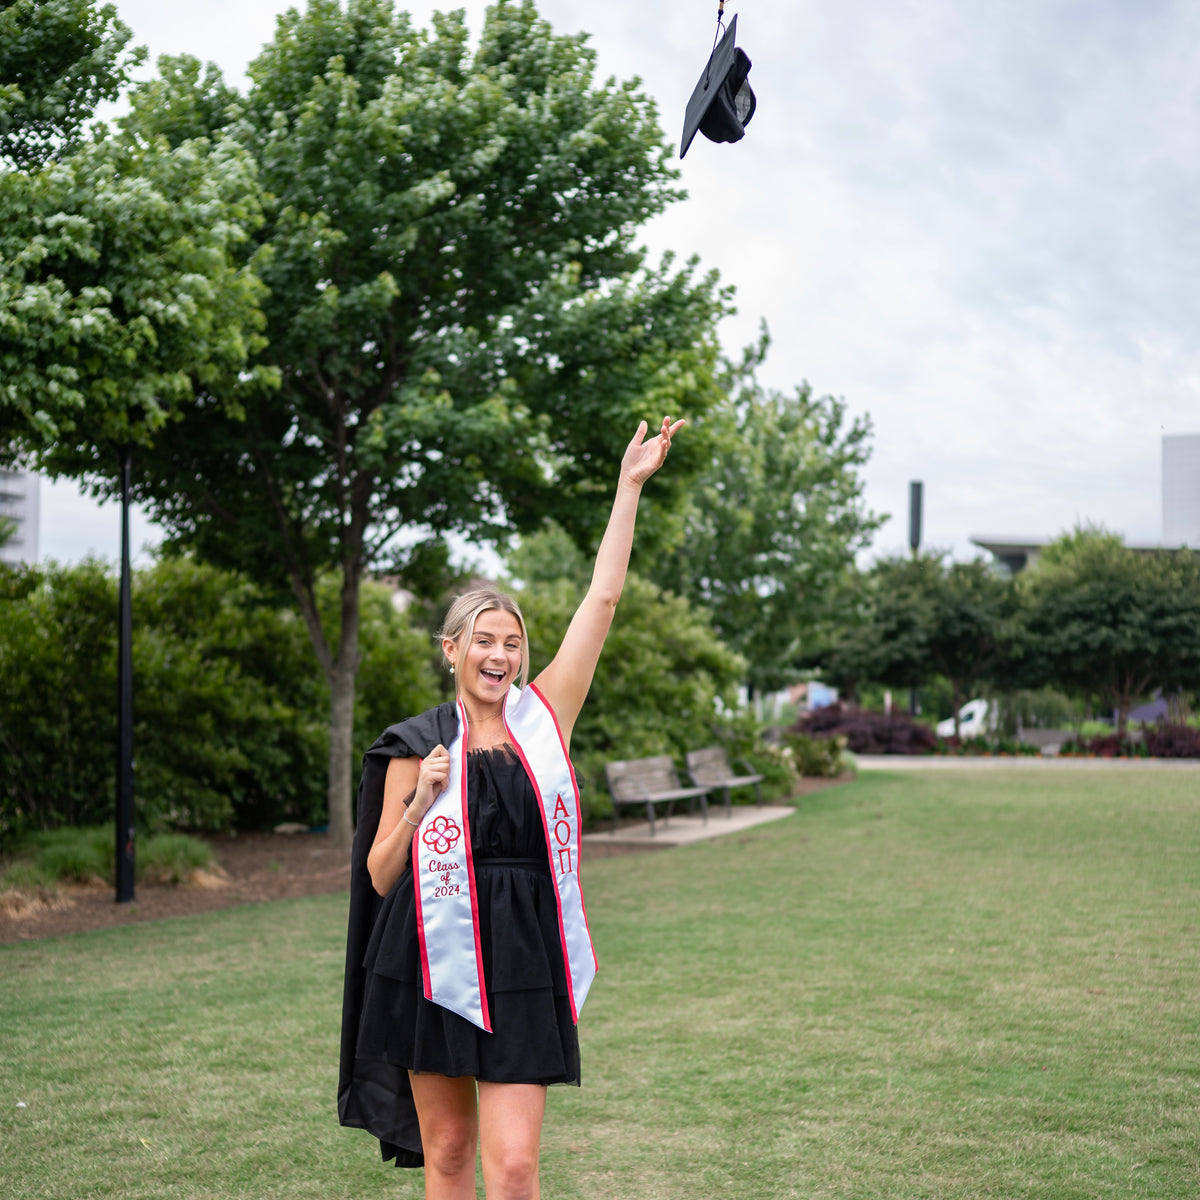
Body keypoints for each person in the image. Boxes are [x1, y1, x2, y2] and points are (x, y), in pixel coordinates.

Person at [339, 416, 685, 1199]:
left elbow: (604, 597)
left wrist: (628, 488)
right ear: (452, 649)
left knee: (518, 1165)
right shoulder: (415, 745)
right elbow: (382, 875)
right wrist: (420, 803)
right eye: (485, 641)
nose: (501, 656)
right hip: (430, 950)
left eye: (513, 643)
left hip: (524, 950)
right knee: (451, 1157)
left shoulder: (545, 718)